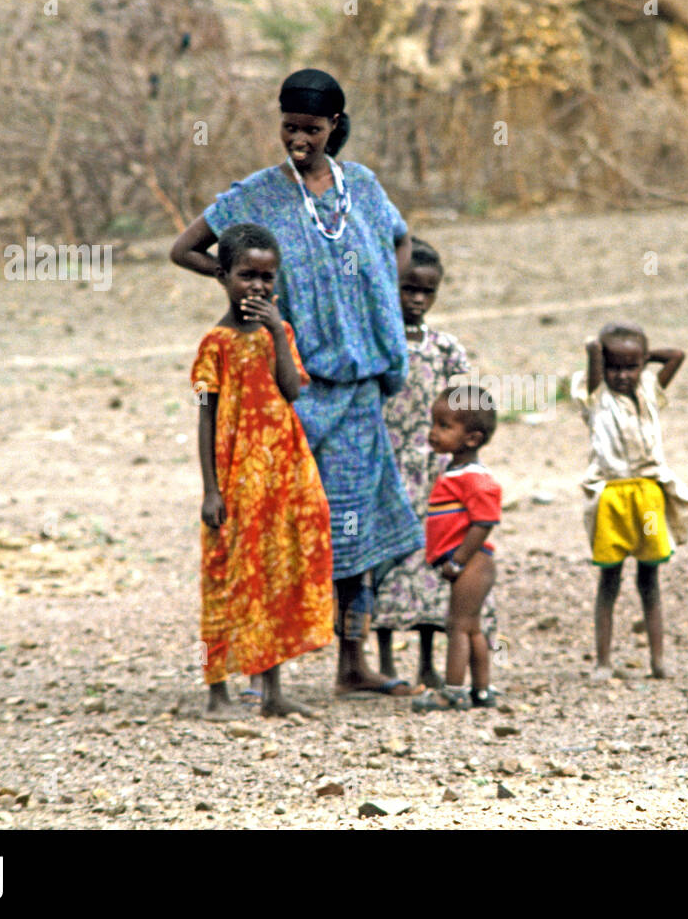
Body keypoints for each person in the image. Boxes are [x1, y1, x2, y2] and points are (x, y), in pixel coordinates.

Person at [172, 68, 424, 697]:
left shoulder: (361, 186)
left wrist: (381, 304)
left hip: (362, 389)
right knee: (281, 530)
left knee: (357, 531)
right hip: (295, 393)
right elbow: (186, 248)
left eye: (311, 129)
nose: (298, 139)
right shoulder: (256, 196)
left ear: (334, 125)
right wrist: (247, 288)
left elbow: (400, 239)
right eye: (289, 128)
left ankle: (351, 664)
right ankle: (266, 668)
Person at [191, 223, 333, 719]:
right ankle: (216, 695)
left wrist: (275, 329)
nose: (257, 286)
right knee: (227, 576)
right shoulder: (216, 343)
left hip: (285, 476)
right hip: (235, 479)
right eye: (246, 276)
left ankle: (271, 691)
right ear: (223, 275)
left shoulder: (282, 332)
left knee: (275, 572)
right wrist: (211, 490)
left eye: (266, 278)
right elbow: (206, 416)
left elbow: (293, 392)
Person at [370, 237, 486, 689]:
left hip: (436, 477)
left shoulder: (444, 349)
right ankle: (381, 661)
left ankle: (426, 661)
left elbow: (468, 405)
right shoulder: (377, 340)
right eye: (407, 289)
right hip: (387, 469)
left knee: (432, 563)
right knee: (384, 563)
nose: (417, 299)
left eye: (427, 291)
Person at [571, 323, 688, 681]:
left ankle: (658, 660)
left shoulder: (649, 390)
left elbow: (677, 356)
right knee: (608, 580)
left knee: (649, 576)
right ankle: (603, 662)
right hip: (611, 497)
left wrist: (641, 356)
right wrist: (598, 352)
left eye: (631, 366)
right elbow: (595, 365)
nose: (622, 375)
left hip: (648, 497)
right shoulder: (595, 396)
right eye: (614, 367)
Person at [412, 388, 502, 711]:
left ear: (472, 439)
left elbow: (485, 522)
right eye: (434, 423)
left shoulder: (474, 478)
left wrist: (459, 561)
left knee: (458, 626)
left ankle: (452, 691)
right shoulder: (456, 471)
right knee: (472, 626)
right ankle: (481, 690)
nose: (434, 432)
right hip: (471, 563)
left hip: (472, 562)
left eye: (444, 426)